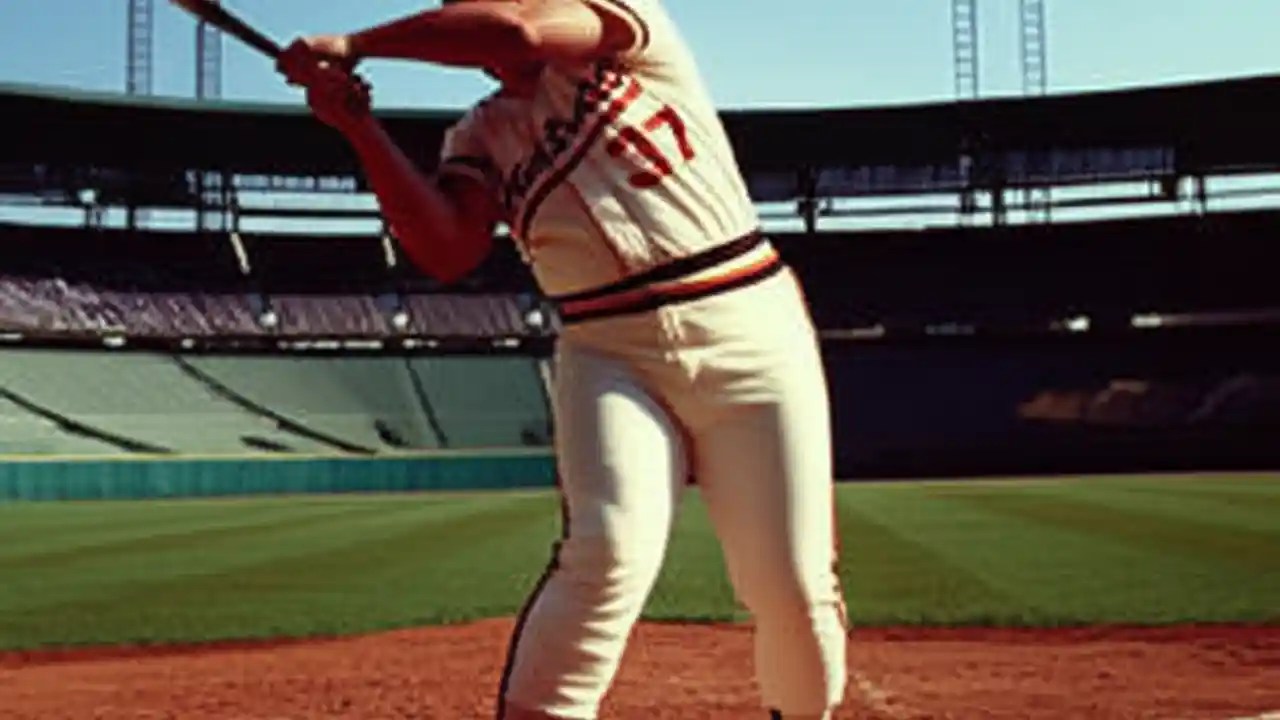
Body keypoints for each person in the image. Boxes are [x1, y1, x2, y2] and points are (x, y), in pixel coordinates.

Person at [276, 1, 849, 718]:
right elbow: (449, 248)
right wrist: (359, 128)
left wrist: (357, 42)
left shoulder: (627, 30)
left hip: (746, 319)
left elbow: (517, 32)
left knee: (792, 582)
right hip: (608, 349)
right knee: (606, 553)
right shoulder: (480, 133)